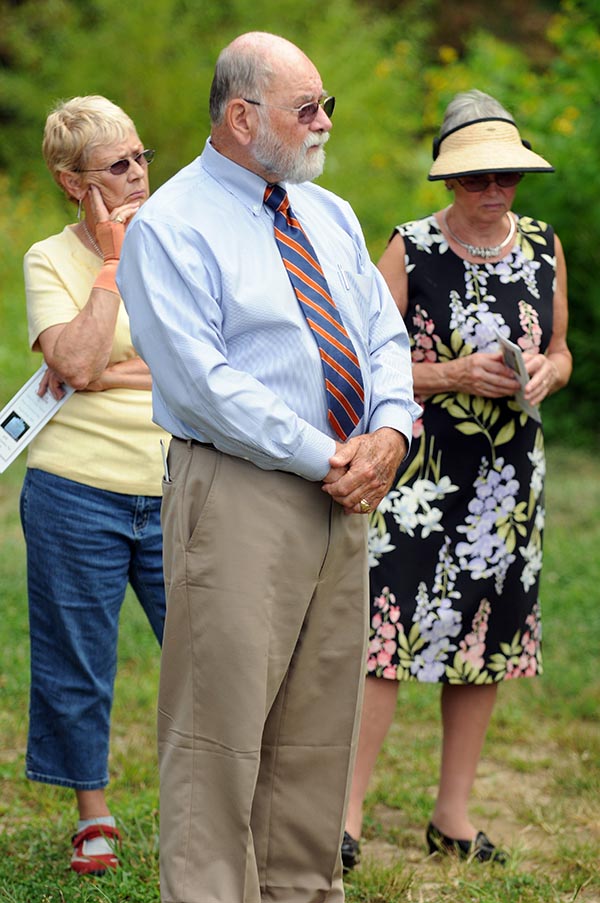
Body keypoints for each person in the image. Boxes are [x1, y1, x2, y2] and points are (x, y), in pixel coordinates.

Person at [117, 30, 420, 903]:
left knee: (319, 723)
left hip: (347, 489)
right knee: (218, 730)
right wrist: (334, 453)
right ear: (243, 118)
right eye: (308, 109)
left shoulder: (328, 212)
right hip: (240, 491)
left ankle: (302, 888)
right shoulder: (171, 225)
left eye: (326, 104)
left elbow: (382, 335)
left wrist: (391, 432)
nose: (325, 123)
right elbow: (203, 385)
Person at [342, 88, 572, 870]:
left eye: (506, 175)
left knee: (487, 637)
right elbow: (361, 362)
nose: (493, 190)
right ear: (447, 181)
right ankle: (345, 817)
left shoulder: (544, 244)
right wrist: (448, 374)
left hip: (508, 480)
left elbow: (565, 349)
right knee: (386, 631)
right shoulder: (409, 249)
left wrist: (545, 372)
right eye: (476, 178)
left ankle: (453, 814)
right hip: (420, 469)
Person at [20, 95, 167, 876]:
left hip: (178, 481)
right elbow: (73, 363)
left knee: (208, 649)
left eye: (141, 156)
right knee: (77, 658)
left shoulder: (179, 245)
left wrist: (106, 371)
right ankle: (93, 813)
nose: (139, 173)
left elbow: (213, 364)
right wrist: (111, 263)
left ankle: (212, 797)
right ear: (73, 182)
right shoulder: (49, 258)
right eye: (118, 165)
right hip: (73, 487)